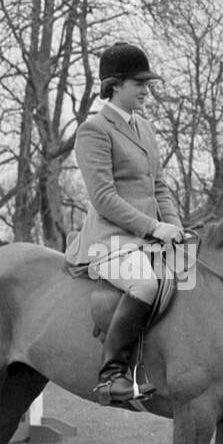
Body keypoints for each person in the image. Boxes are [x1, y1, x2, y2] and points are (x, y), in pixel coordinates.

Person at [73, 42, 184, 405]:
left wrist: (175, 226)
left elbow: (159, 185)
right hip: (111, 240)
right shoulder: (94, 130)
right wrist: (154, 229)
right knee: (146, 284)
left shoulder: (146, 128)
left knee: (194, 276)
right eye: (139, 82)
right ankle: (112, 376)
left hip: (150, 238)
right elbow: (104, 198)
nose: (146, 90)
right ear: (115, 84)